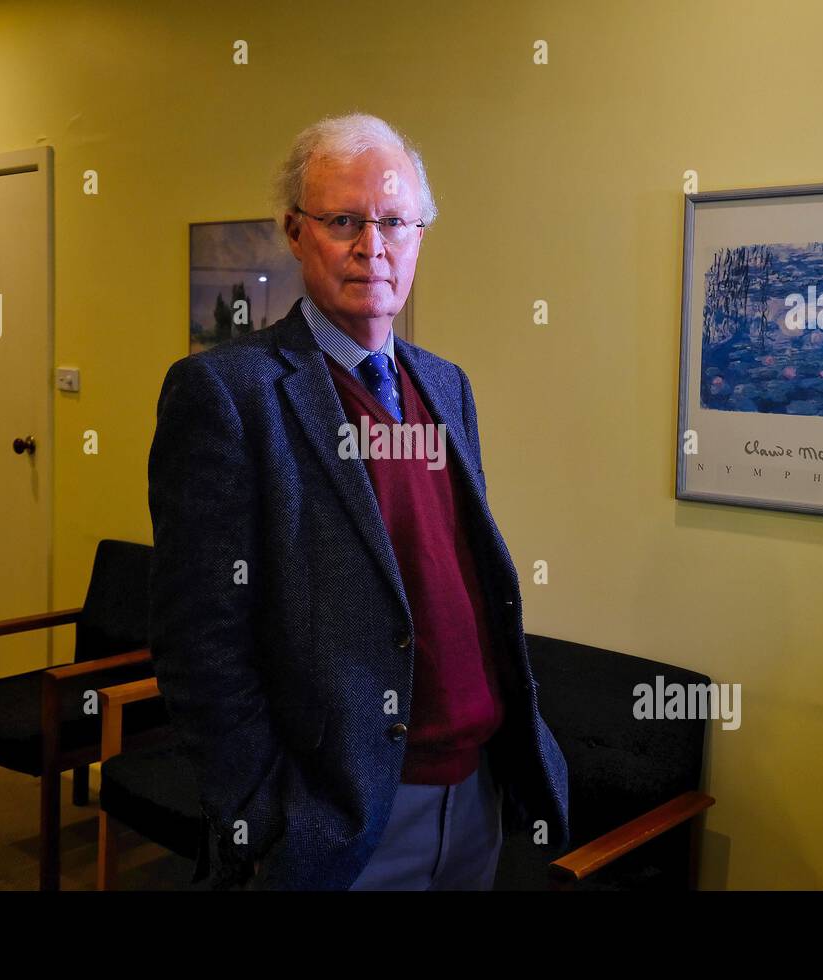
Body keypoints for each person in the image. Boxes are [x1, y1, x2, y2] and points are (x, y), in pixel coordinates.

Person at [147, 112, 569, 890]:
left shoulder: (447, 386)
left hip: (476, 792)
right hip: (342, 816)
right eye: (343, 220)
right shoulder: (229, 394)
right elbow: (196, 638)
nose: (372, 247)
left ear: (419, 236)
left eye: (394, 223)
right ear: (295, 230)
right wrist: (267, 816)